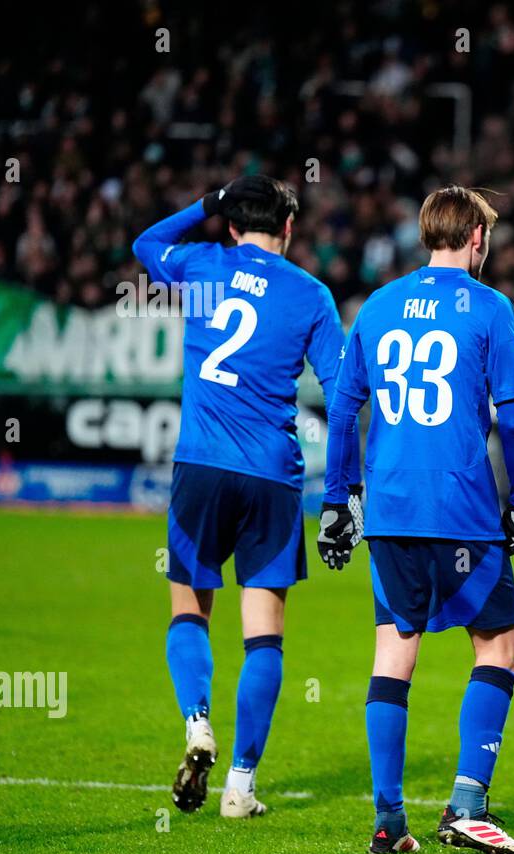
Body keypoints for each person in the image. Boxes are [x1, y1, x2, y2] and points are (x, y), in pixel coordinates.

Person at [318, 185, 514, 854]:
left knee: (394, 650)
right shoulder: (491, 308)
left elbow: (342, 409)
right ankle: (468, 805)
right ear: (475, 237)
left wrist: (337, 499)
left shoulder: (378, 306)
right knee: (501, 649)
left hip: (389, 507)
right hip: (461, 505)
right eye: (488, 235)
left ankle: (389, 820)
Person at [133, 175, 354, 819]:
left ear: (230, 226)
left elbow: (146, 241)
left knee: (190, 611)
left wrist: (205, 202)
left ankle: (197, 720)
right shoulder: (311, 294)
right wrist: (344, 493)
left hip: (199, 467)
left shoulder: (200, 264)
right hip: (272, 477)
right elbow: (341, 399)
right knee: (265, 637)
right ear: (289, 229)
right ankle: (240, 784)